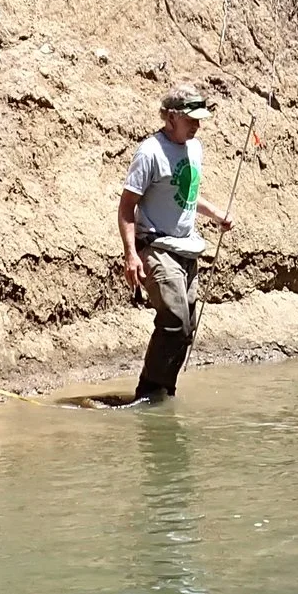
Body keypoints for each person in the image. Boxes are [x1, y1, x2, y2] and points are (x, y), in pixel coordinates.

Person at [117, 89, 235, 404]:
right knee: (175, 320)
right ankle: (147, 392)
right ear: (171, 117)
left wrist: (216, 215)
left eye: (200, 120)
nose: (197, 126)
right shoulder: (150, 153)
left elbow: (186, 194)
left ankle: (163, 393)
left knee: (188, 327)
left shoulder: (194, 148)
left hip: (186, 249)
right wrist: (131, 255)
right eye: (191, 120)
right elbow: (127, 207)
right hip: (156, 246)